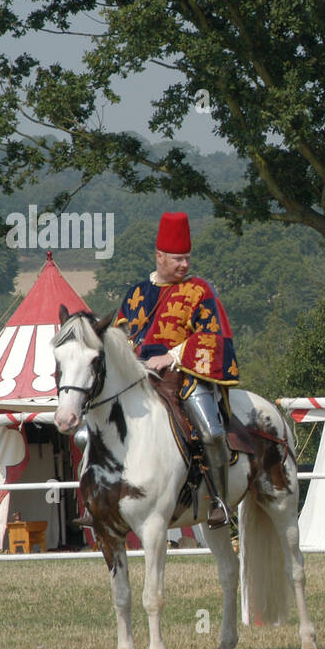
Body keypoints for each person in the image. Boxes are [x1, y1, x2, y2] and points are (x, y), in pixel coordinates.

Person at [116, 211, 240, 528]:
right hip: (139, 380)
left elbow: (215, 336)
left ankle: (221, 502)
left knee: (211, 434)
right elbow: (120, 335)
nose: (185, 265)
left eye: (187, 258)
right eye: (177, 259)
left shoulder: (201, 291)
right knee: (95, 426)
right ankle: (100, 497)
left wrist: (172, 355)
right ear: (160, 256)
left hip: (185, 377)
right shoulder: (136, 294)